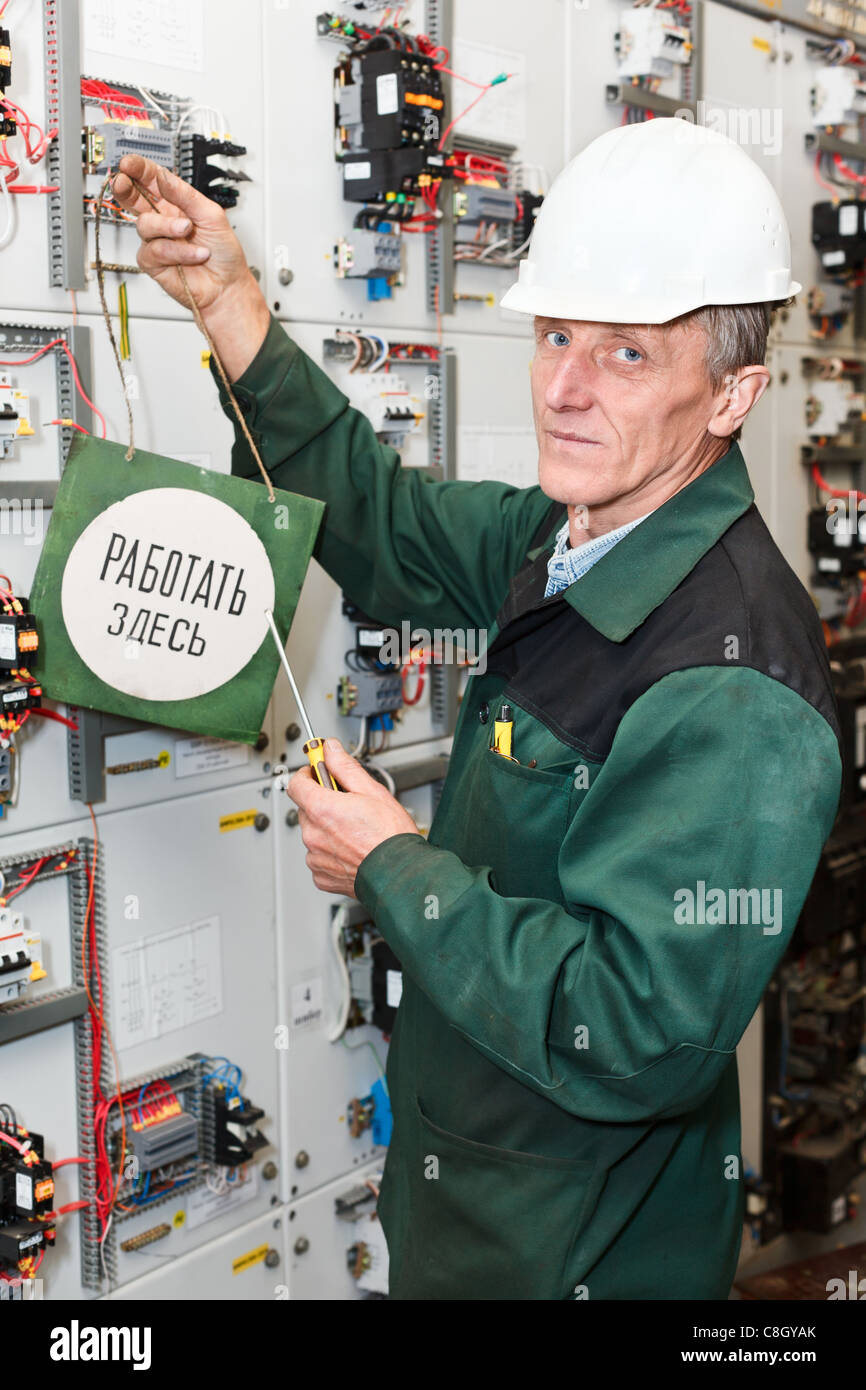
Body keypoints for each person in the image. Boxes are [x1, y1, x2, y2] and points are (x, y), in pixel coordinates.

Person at [115, 117, 841, 1300]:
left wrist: (394, 866)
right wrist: (229, 300)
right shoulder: (571, 541)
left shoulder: (732, 681)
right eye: (553, 334)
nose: (560, 386)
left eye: (625, 356)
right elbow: (378, 522)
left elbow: (636, 1029)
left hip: (575, 1254)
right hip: (479, 1212)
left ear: (732, 394)